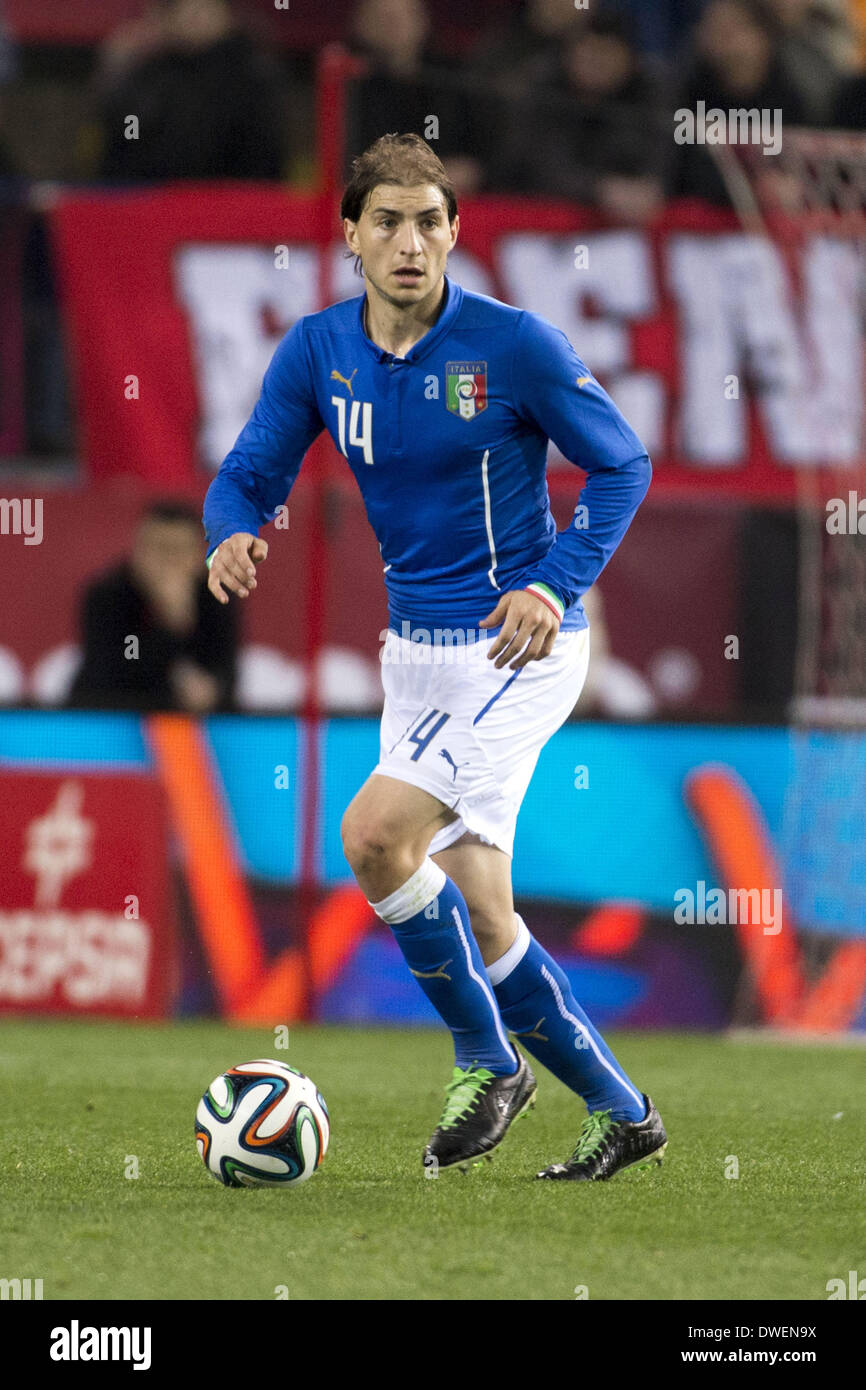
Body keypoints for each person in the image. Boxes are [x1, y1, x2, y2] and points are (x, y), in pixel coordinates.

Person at [203, 133, 667, 1181]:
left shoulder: (514, 346)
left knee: (374, 836)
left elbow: (620, 463)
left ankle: (484, 1060)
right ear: (350, 235)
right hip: (413, 656)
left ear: (454, 231)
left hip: (518, 645)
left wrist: (552, 582)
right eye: (386, 222)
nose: (408, 242)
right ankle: (620, 1110)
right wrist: (230, 528)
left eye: (427, 221)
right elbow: (248, 470)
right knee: (480, 903)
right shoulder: (318, 351)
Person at [68, 499, 237, 712]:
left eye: (179, 550)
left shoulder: (217, 596)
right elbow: (115, 673)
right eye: (159, 549)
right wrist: (171, 624)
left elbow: (226, 671)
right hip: (113, 722)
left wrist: (212, 690)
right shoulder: (109, 594)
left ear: (199, 556)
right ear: (137, 551)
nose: (169, 561)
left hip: (194, 729)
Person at [95, 0, 285, 182]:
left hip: (234, 206)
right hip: (152, 205)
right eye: (180, 4)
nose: (194, 11)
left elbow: (262, 163)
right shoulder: (147, 74)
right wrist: (118, 68)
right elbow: (123, 150)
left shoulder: (252, 75)